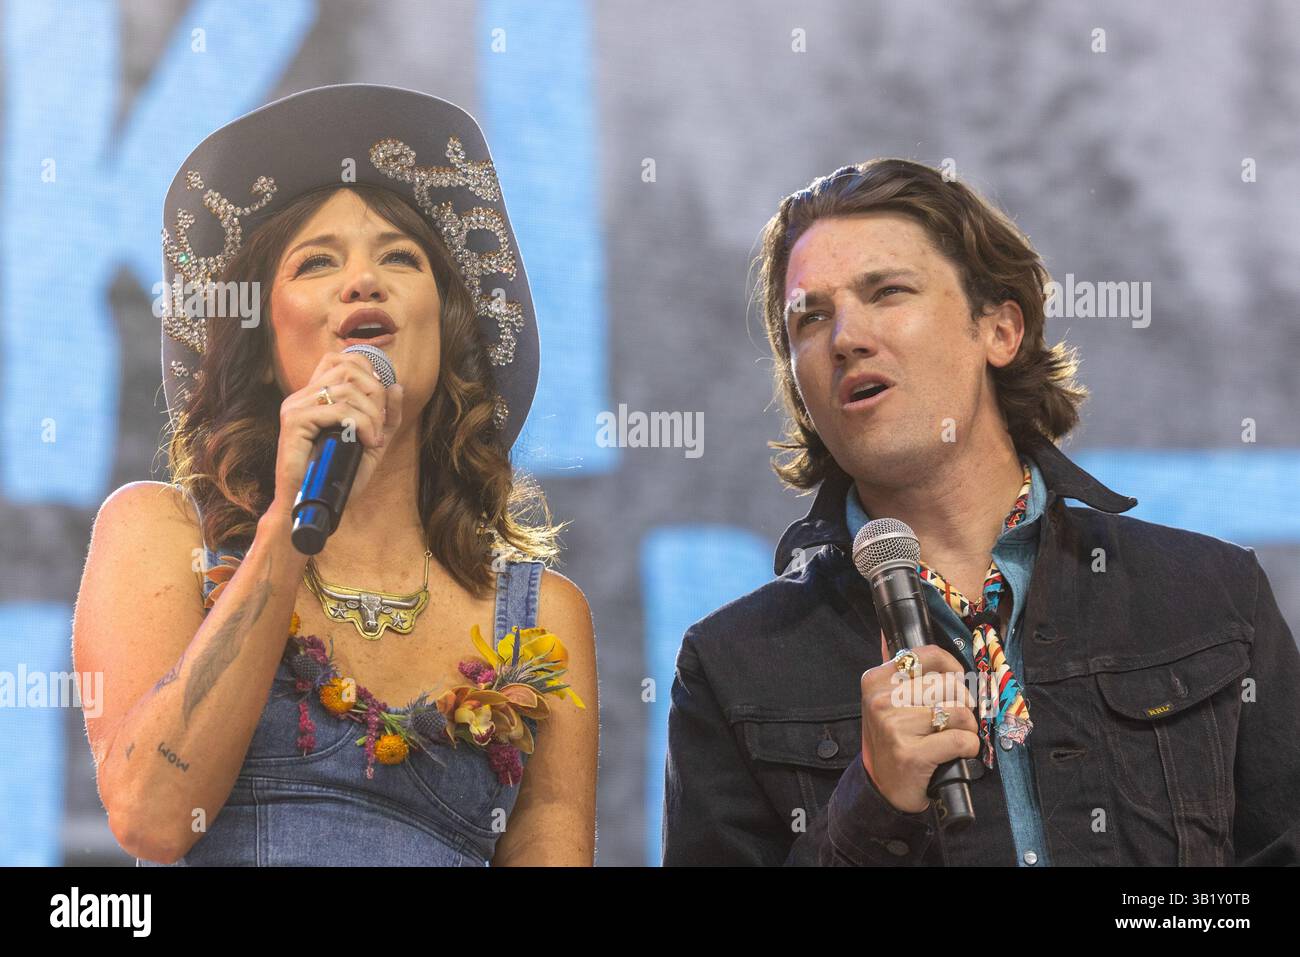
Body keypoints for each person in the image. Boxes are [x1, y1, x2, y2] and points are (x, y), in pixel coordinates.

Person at [661, 158, 1299, 866]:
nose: (845, 337)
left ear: (1000, 330)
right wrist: (871, 805)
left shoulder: (1212, 597)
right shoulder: (731, 668)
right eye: (809, 317)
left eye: (887, 291)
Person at [72, 84, 598, 866]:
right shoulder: (161, 533)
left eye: (399, 257)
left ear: (446, 326)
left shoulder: (539, 618)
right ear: (261, 338)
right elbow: (151, 812)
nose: (362, 281)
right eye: (317, 262)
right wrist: (286, 527)